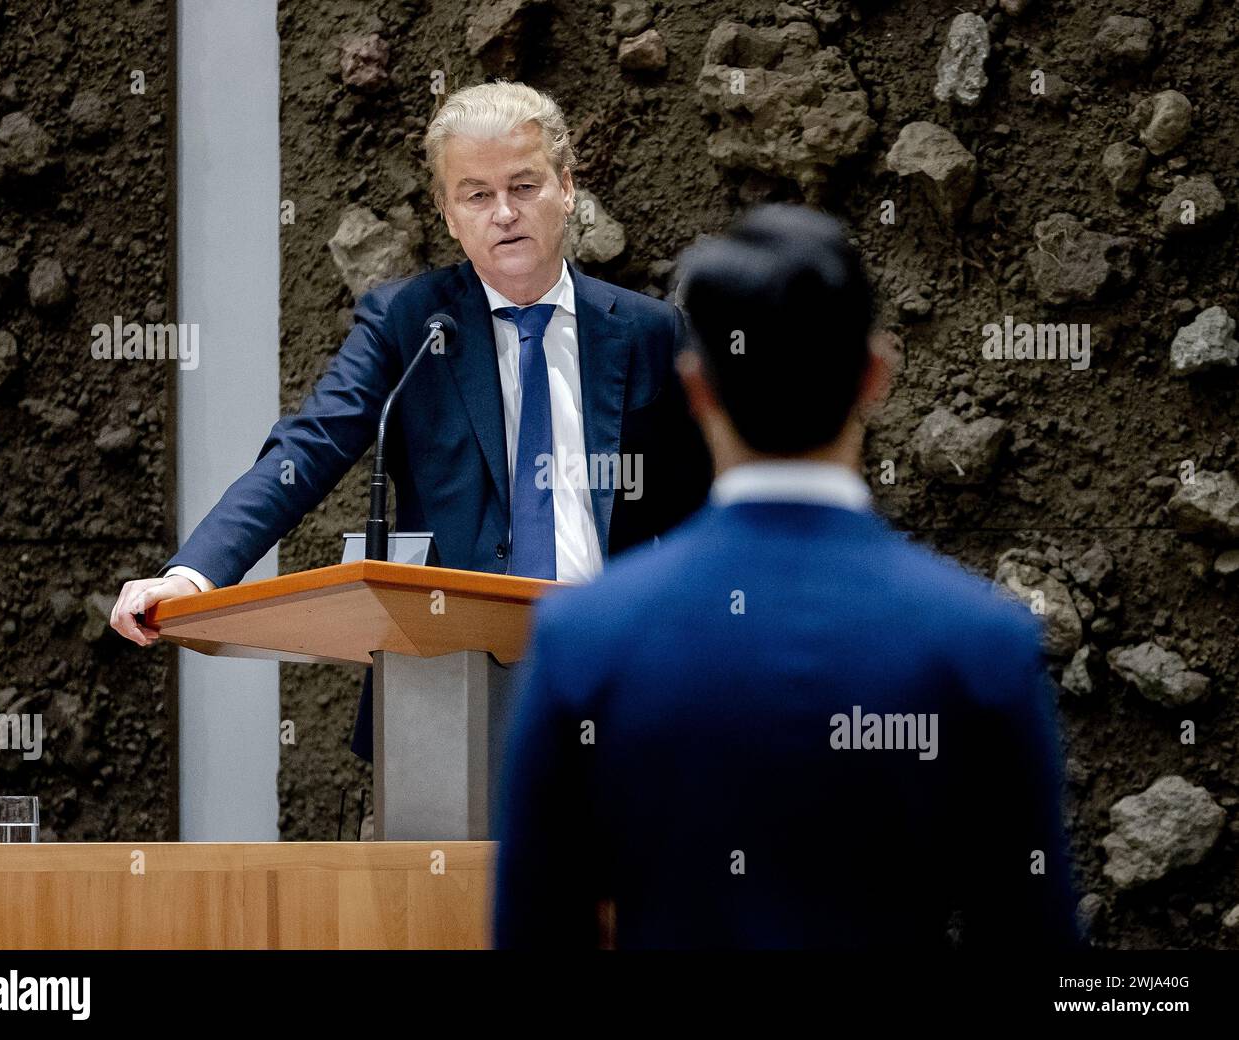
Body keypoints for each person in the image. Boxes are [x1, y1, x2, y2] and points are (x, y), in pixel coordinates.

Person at [492, 203, 1082, 949]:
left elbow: (535, 930)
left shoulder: (584, 639)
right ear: (876, 375)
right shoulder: (982, 641)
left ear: (696, 386)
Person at [108, 81, 711, 761]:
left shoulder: (650, 332)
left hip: (620, 682)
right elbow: (306, 450)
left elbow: (708, 511)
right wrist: (193, 574)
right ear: (447, 212)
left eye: (525, 185)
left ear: (566, 188)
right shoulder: (409, 323)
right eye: (477, 194)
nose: (504, 213)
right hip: (447, 685)